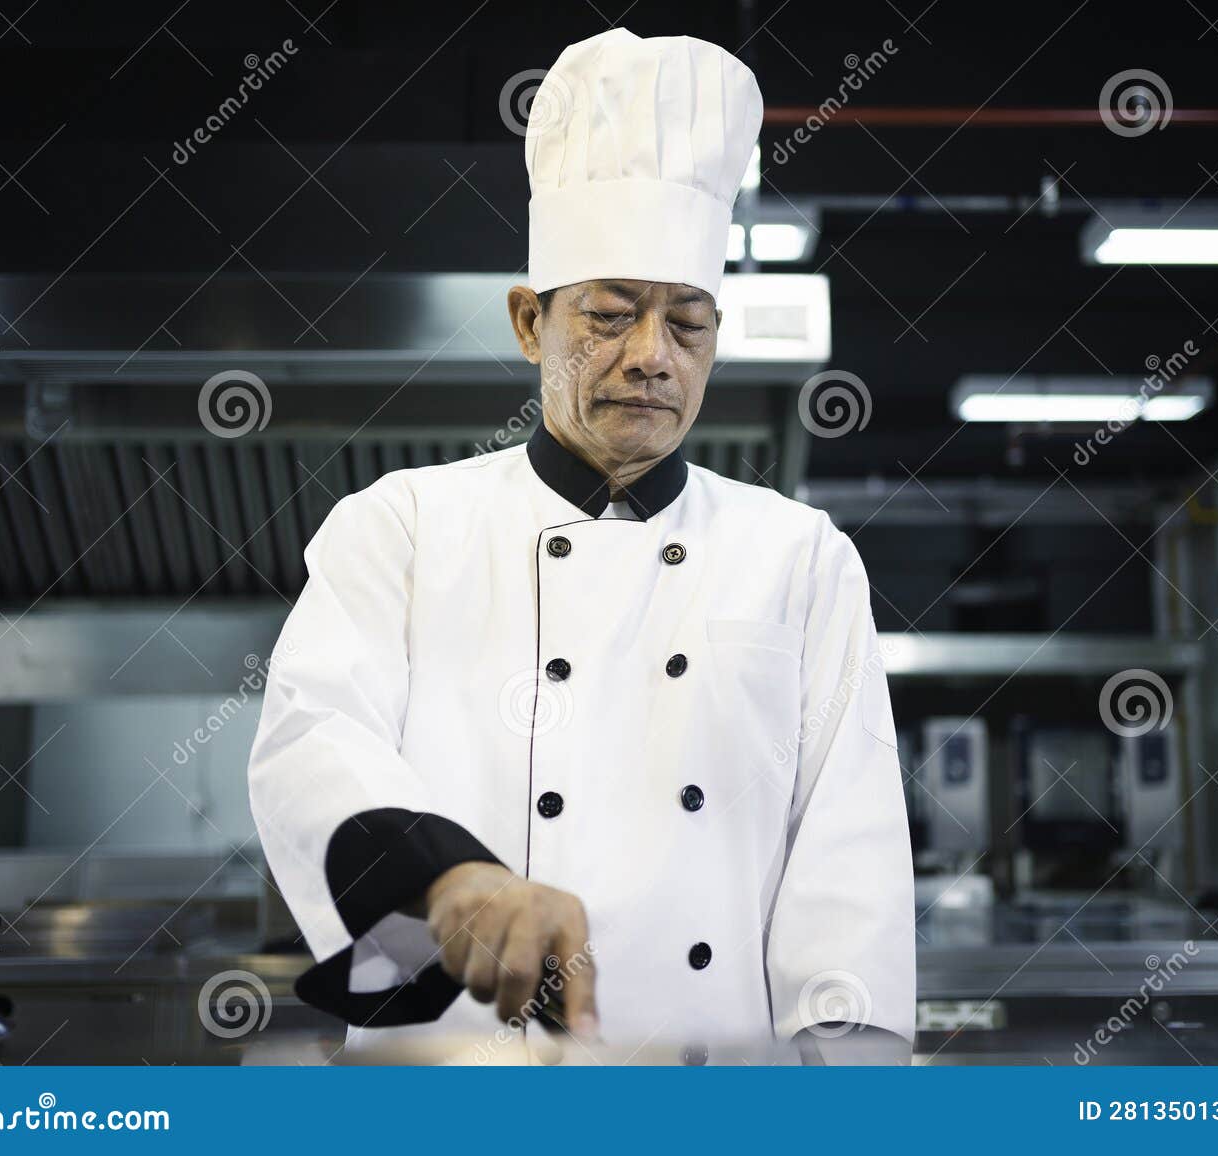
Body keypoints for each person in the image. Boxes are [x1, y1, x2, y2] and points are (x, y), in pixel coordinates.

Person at [247, 27, 914, 1064]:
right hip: (458, 1082)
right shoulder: (404, 527)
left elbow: (850, 868)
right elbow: (310, 744)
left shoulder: (800, 557)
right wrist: (449, 880)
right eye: (609, 314)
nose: (650, 357)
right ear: (529, 322)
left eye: (687, 325)